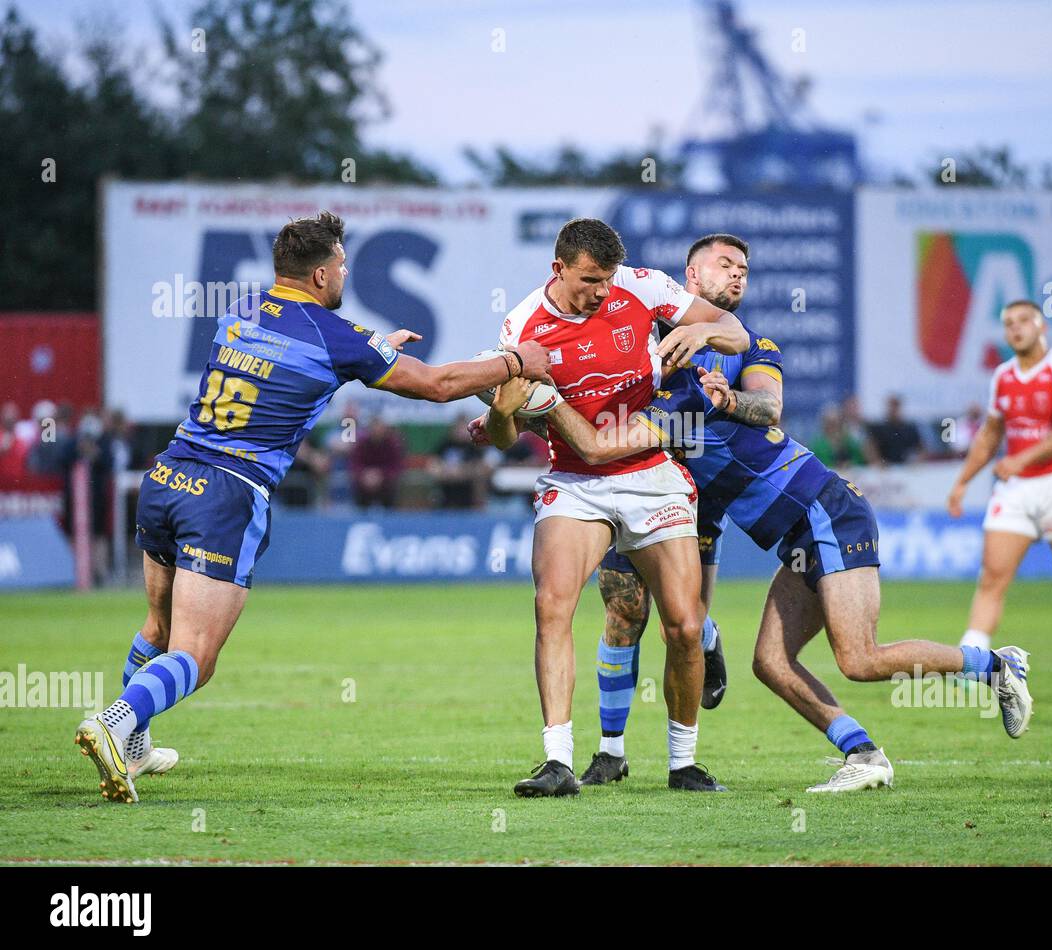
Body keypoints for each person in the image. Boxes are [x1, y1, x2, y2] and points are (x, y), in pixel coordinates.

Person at [74, 210, 552, 803]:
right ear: (324, 274)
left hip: (168, 474)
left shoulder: (243, 310)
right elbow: (434, 385)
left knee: (158, 626)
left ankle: (137, 746)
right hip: (225, 493)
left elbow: (307, 356)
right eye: (344, 263)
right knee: (195, 654)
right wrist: (517, 362)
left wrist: (372, 351)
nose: (346, 271)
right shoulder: (337, 338)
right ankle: (116, 723)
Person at [496, 347, 1034, 795]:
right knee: (771, 662)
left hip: (830, 514)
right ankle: (864, 754)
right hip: (797, 540)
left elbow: (602, 442)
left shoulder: (680, 410)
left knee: (859, 658)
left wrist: (545, 399)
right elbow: (696, 548)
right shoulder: (674, 466)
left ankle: (993, 666)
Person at [484, 218, 749, 797]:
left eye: (606, 280)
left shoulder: (644, 286)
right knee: (552, 606)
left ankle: (683, 764)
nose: (601, 292)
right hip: (576, 483)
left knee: (684, 624)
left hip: (651, 468)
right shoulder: (524, 328)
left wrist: (703, 334)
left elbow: (736, 332)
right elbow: (504, 436)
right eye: (588, 281)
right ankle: (557, 760)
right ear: (558, 269)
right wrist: (504, 411)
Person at [575, 233, 781, 787]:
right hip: (637, 484)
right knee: (623, 614)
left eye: (744, 267)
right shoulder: (642, 324)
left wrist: (729, 399)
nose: (737, 274)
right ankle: (610, 751)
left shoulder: (752, 344)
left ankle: (684, 755)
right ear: (691, 277)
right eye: (725, 265)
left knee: (681, 629)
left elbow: (770, 407)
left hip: (703, 502)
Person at [946, 300, 1052, 687]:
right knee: (992, 576)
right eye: (1008, 323)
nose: (1015, 329)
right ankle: (972, 658)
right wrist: (963, 481)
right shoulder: (1003, 375)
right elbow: (991, 434)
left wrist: (1019, 460)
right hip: (1015, 490)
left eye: (1022, 322)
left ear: (1040, 325)